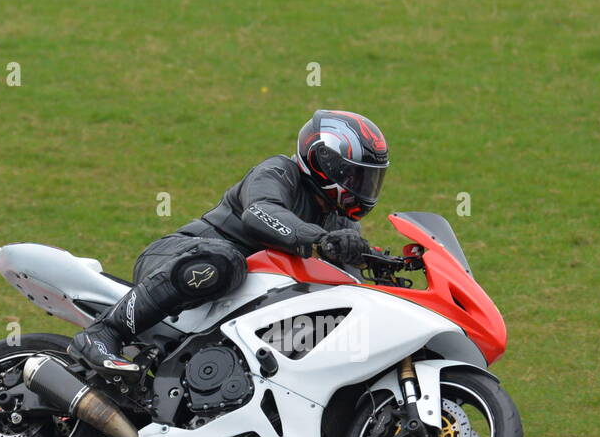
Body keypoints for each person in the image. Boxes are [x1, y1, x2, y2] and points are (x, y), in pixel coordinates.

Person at [70, 110, 389, 374]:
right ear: (323, 162)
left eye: (369, 179)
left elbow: (349, 284)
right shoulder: (280, 171)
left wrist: (379, 267)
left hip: (229, 301)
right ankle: (105, 332)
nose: (361, 187)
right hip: (180, 259)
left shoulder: (341, 221)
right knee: (225, 261)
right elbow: (260, 212)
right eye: (354, 176)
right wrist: (319, 240)